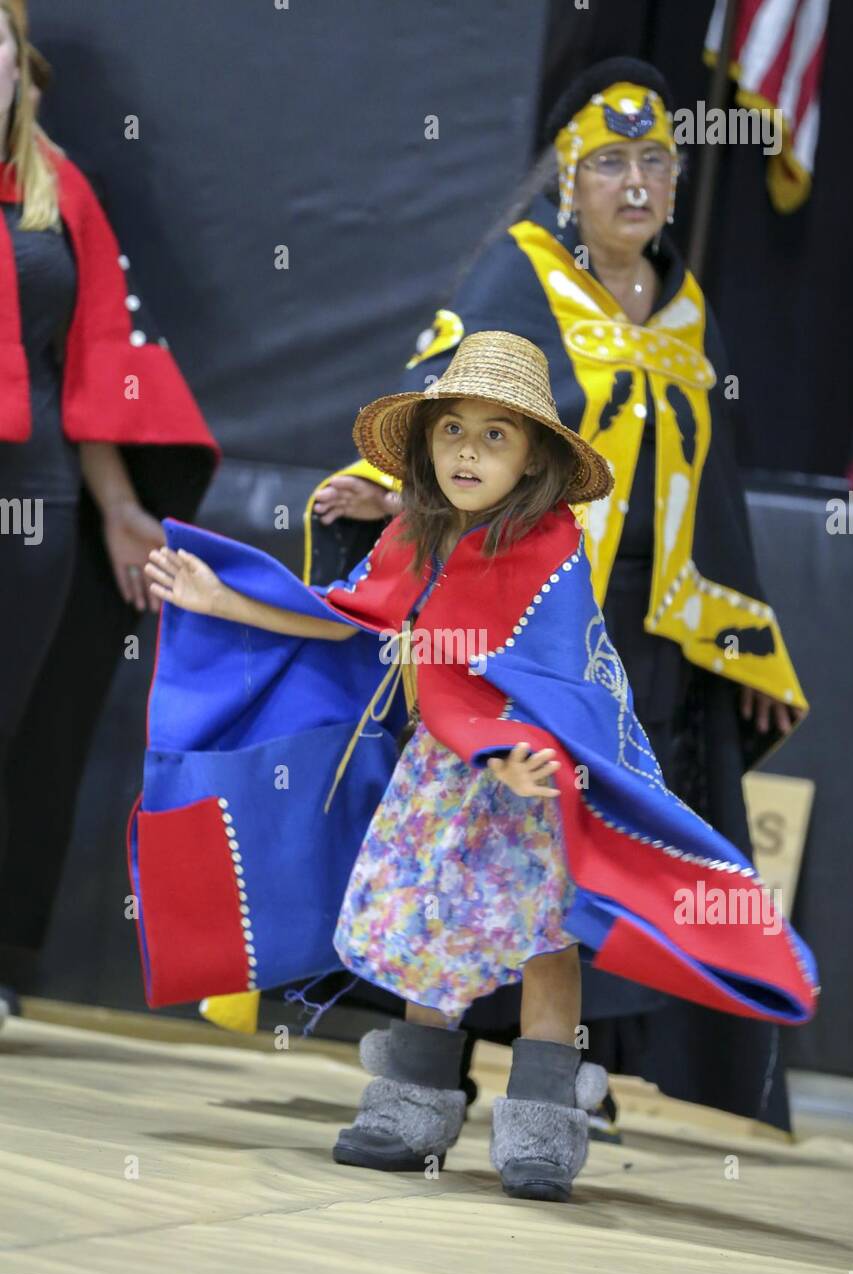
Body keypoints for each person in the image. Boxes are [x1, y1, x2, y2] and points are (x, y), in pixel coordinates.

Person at [139, 331, 817, 1202]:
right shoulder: (419, 534)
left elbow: (554, 673)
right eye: (452, 429)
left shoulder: (549, 547)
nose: (468, 449)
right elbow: (356, 621)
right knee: (430, 927)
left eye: (496, 435)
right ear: (425, 444)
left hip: (538, 772)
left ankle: (541, 1124)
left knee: (546, 943)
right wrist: (222, 599)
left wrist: (517, 753)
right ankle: (413, 1105)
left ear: (533, 457)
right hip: (448, 775)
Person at [300, 57, 809, 1132]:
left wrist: (746, 645)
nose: (635, 184)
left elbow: (707, 487)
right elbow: (451, 407)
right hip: (512, 623)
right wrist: (386, 492)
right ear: (566, 182)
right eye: (609, 162)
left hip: (636, 632)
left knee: (590, 847)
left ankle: (562, 1073)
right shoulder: (517, 278)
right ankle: (430, 1071)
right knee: (481, 834)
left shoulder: (688, 312)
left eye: (656, 163)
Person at [0, 0, 218, 1026]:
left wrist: (124, 508)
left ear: (20, 65)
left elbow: (92, 362)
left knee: (9, 727)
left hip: (32, 503)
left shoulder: (58, 187)